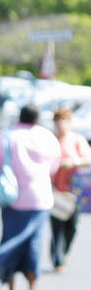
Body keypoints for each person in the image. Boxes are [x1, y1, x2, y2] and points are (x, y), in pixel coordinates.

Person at [0, 103, 61, 290]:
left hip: (14, 200)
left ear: (19, 117)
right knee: (34, 246)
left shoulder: (8, 137)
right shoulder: (47, 137)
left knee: (11, 243)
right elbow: (54, 166)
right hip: (41, 200)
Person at [50, 105, 91, 273]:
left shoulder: (77, 140)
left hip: (74, 192)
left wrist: (72, 162)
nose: (61, 124)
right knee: (56, 226)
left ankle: (64, 252)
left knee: (72, 226)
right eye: (58, 120)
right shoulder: (51, 140)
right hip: (54, 189)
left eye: (64, 120)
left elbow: (87, 159)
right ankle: (58, 260)